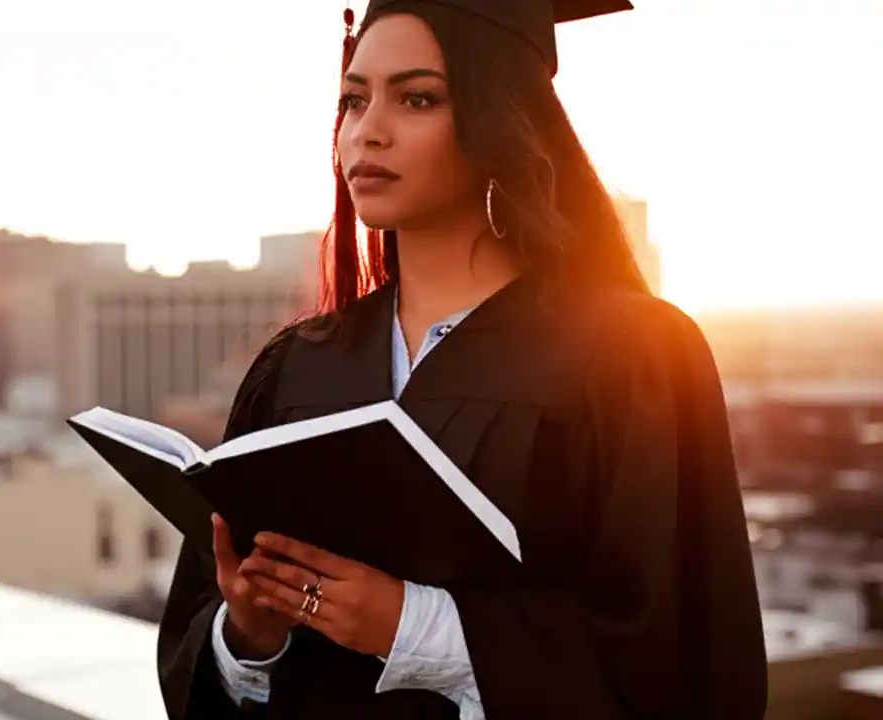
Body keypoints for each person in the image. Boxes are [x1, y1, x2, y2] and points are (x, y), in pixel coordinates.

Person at [156, 1, 769, 717]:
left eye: (417, 98)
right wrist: (249, 634)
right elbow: (196, 639)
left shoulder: (631, 356)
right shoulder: (298, 367)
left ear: (499, 117)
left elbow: (683, 663)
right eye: (354, 100)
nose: (368, 131)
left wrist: (412, 626)